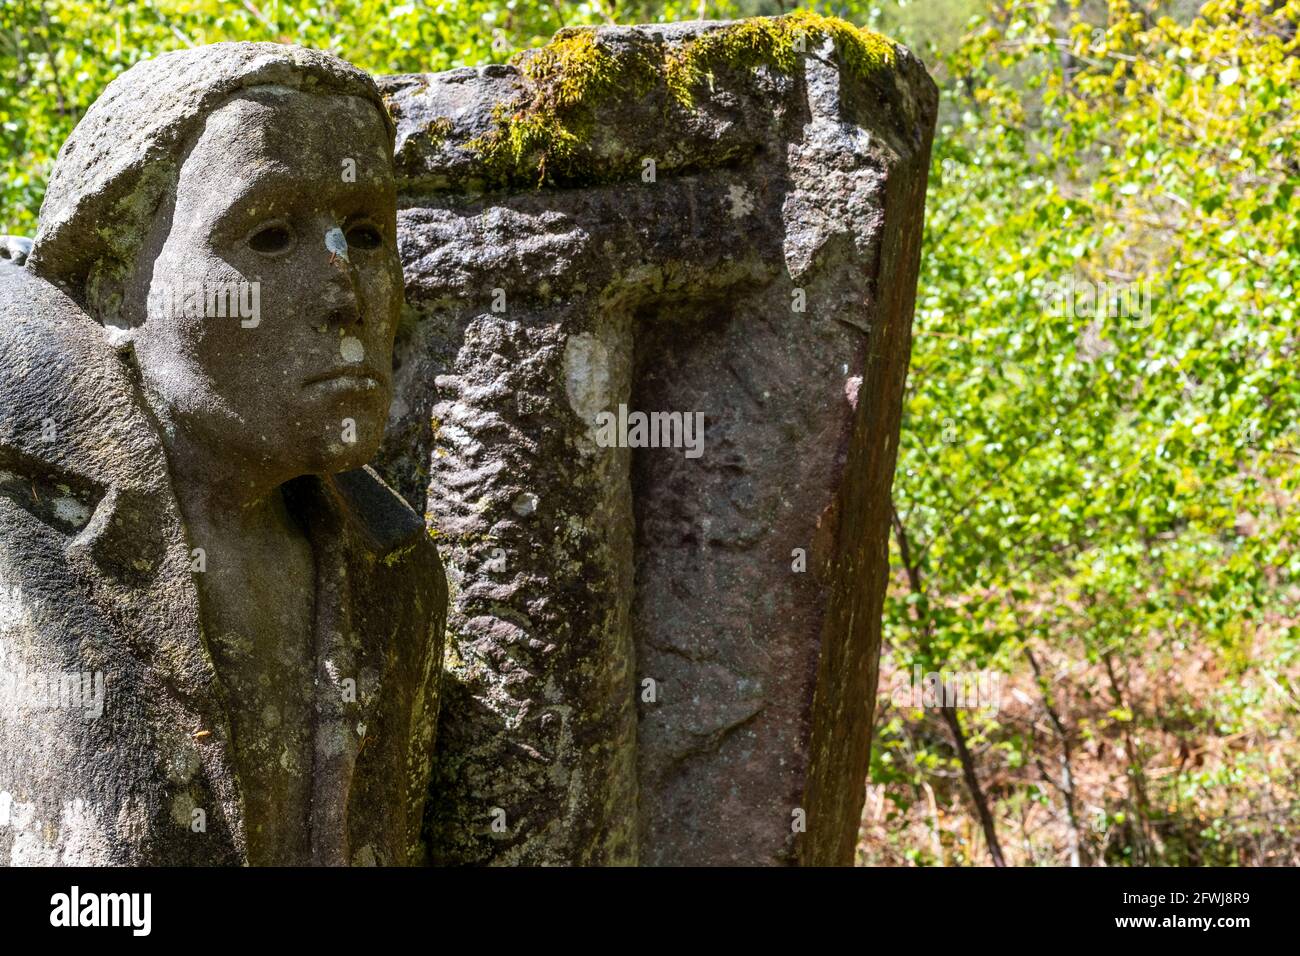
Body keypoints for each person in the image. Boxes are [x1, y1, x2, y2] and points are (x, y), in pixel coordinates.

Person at [0, 43, 444, 866]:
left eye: (367, 233)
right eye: (270, 235)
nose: (344, 291)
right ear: (112, 285)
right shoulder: (16, 542)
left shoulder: (396, 577)